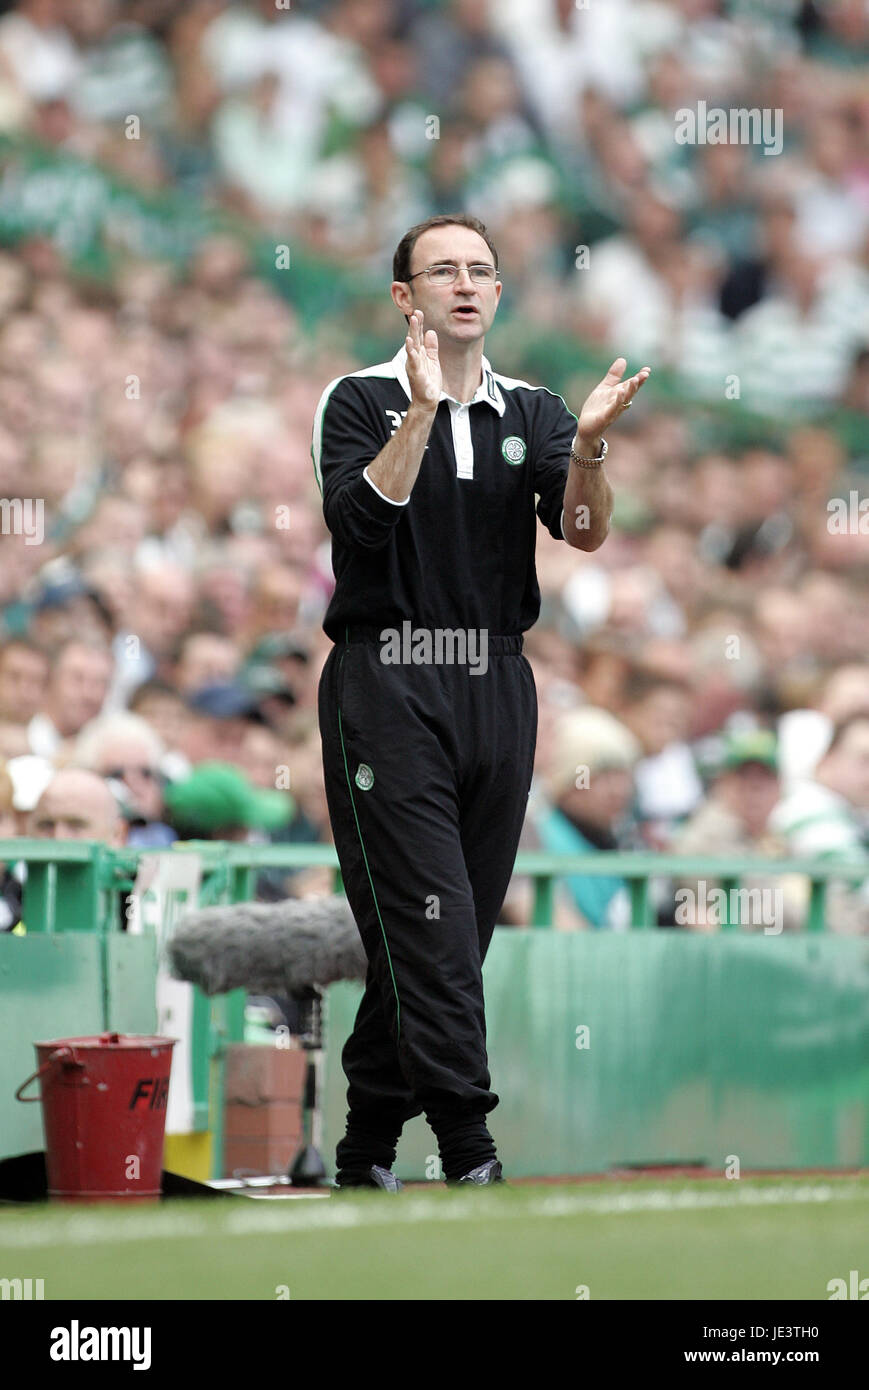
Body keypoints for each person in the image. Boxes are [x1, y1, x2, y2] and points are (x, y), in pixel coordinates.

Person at [312, 212, 650, 1190]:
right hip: (387, 671)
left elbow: (581, 531)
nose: (464, 283)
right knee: (429, 920)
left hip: (496, 675)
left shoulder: (537, 412)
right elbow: (358, 529)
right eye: (441, 270)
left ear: (498, 293)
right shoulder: (359, 399)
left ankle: (365, 1146)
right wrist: (418, 414)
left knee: (451, 930)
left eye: (481, 270)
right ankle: (469, 1145)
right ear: (403, 297)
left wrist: (585, 447)